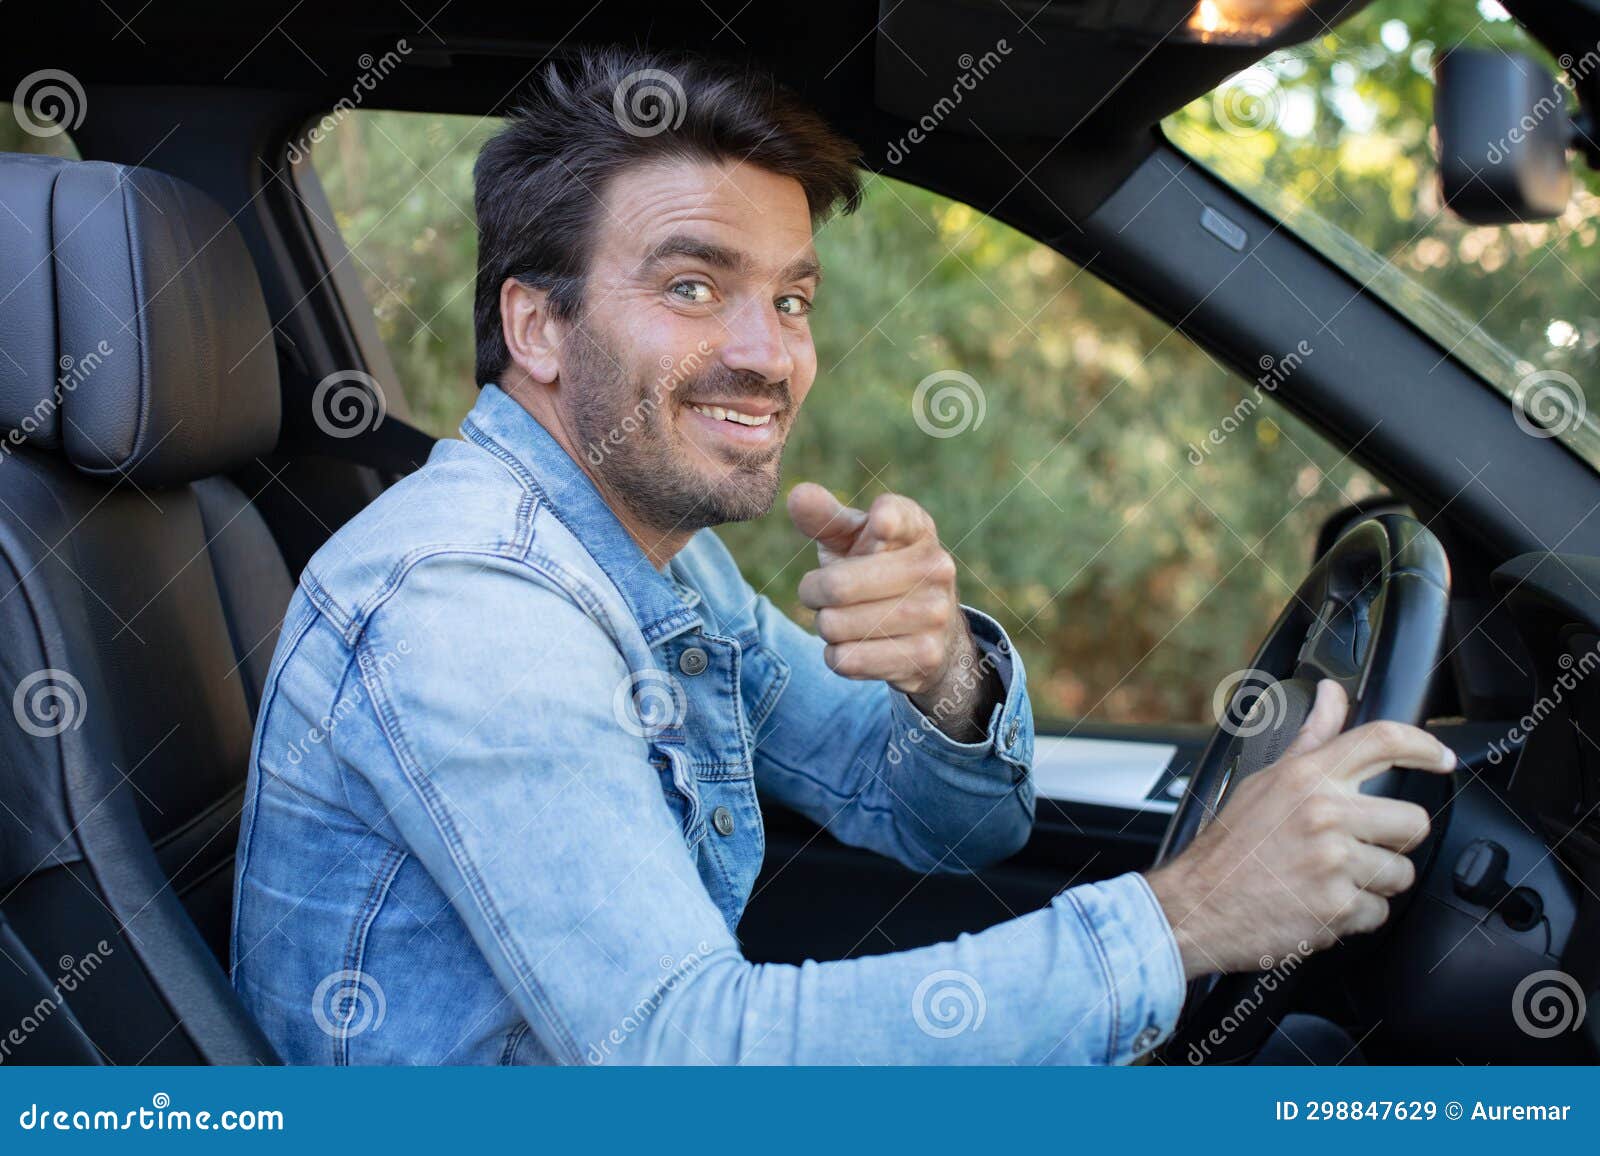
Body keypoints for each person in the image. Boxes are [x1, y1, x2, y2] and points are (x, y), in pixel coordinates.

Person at [230, 47, 1455, 1064]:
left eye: (793, 298)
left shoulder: (653, 558)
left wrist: (943, 682)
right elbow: (688, 1058)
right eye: (696, 286)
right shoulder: (469, 604)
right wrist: (1185, 917)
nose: (768, 355)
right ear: (539, 326)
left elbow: (936, 825)